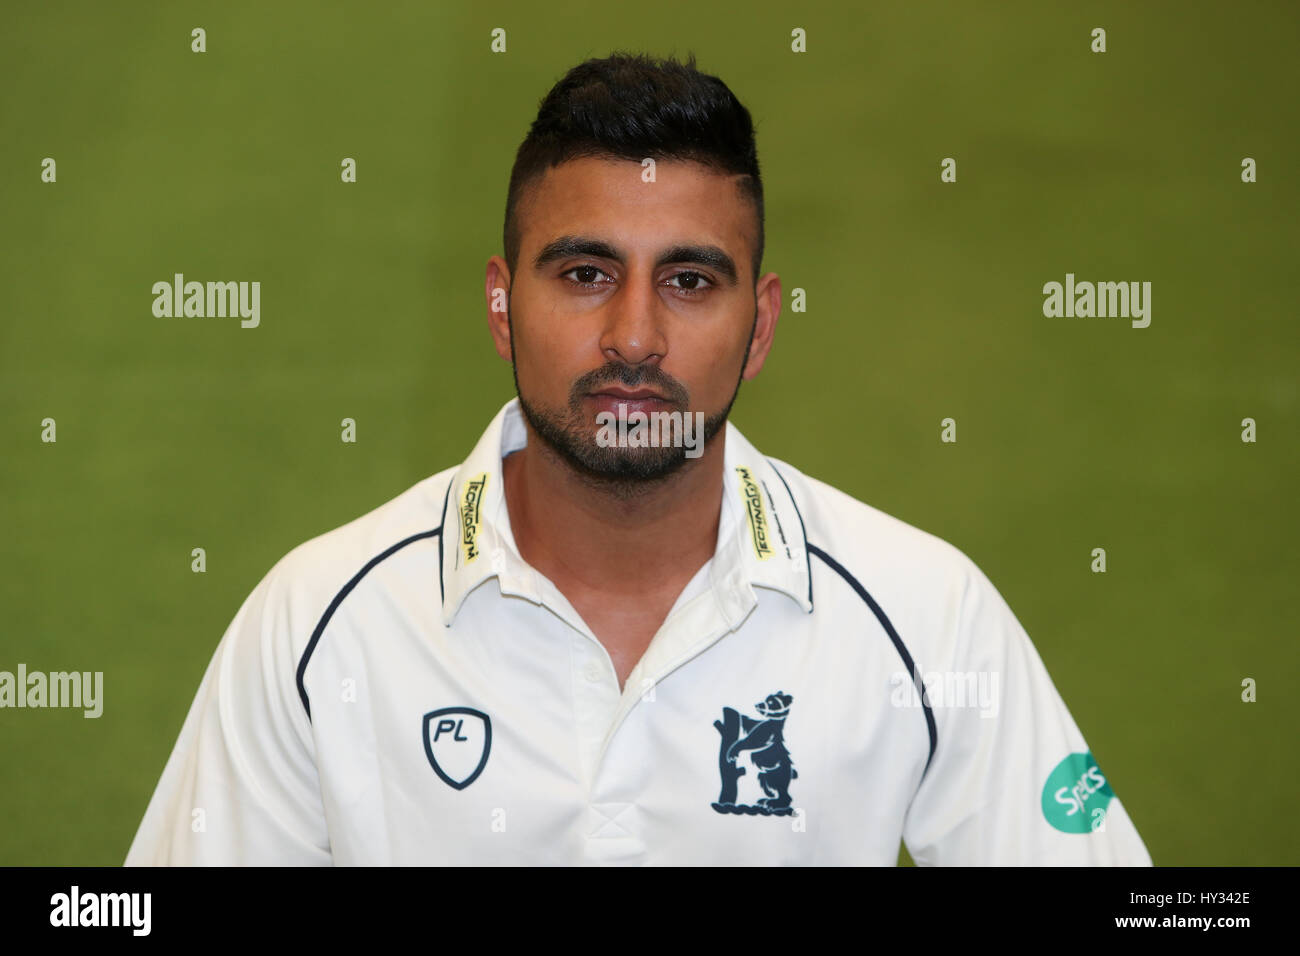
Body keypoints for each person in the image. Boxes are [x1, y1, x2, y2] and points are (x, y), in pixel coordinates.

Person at [125, 52, 1152, 865]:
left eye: (691, 281)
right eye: (584, 272)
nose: (632, 335)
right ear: (499, 304)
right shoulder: (316, 626)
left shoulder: (927, 616)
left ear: (760, 326)